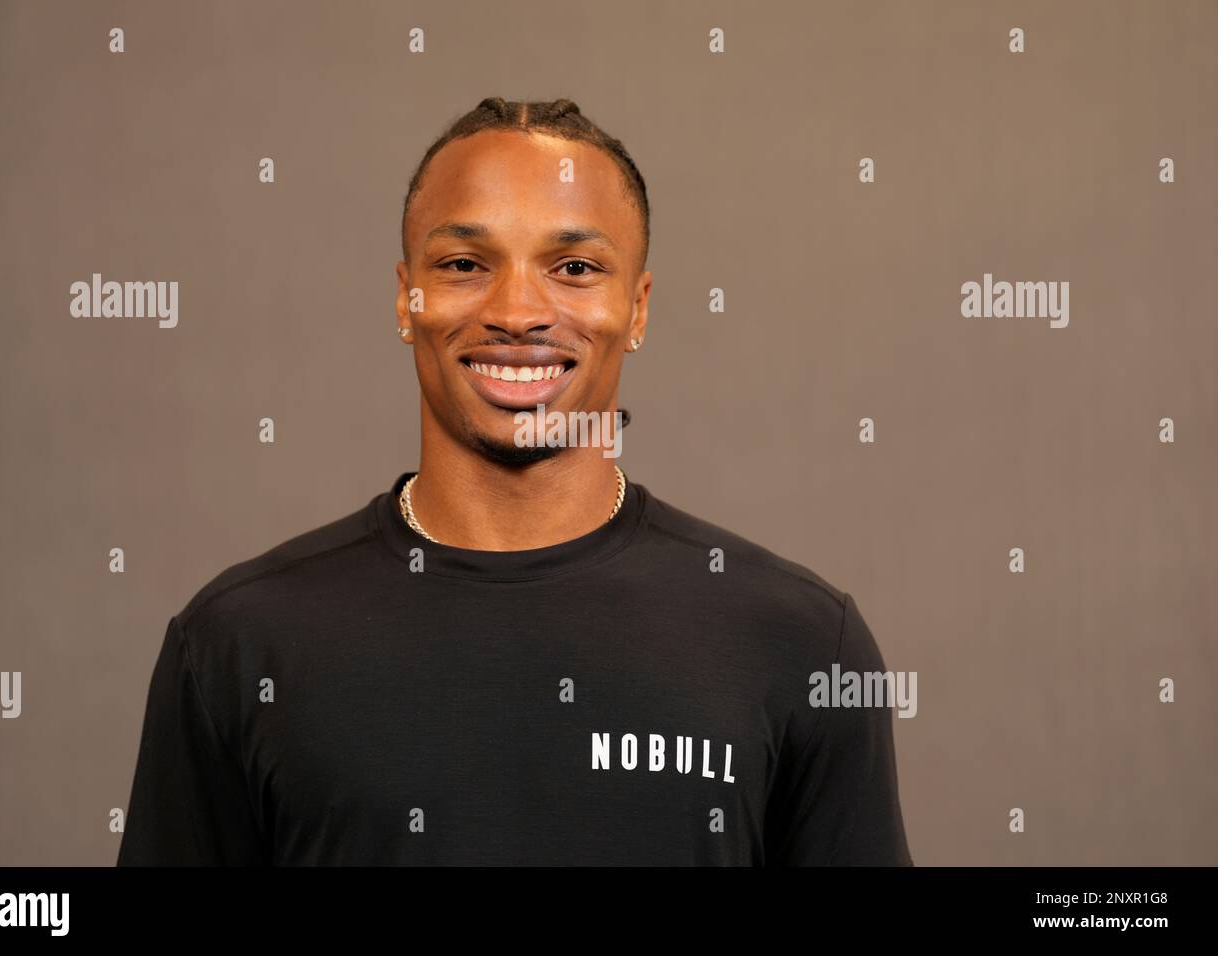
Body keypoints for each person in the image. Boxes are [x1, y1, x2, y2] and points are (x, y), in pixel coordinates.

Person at [116, 97, 913, 866]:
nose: (519, 310)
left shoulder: (801, 645)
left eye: (573, 267)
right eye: (465, 264)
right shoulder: (236, 646)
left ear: (637, 309)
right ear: (406, 298)